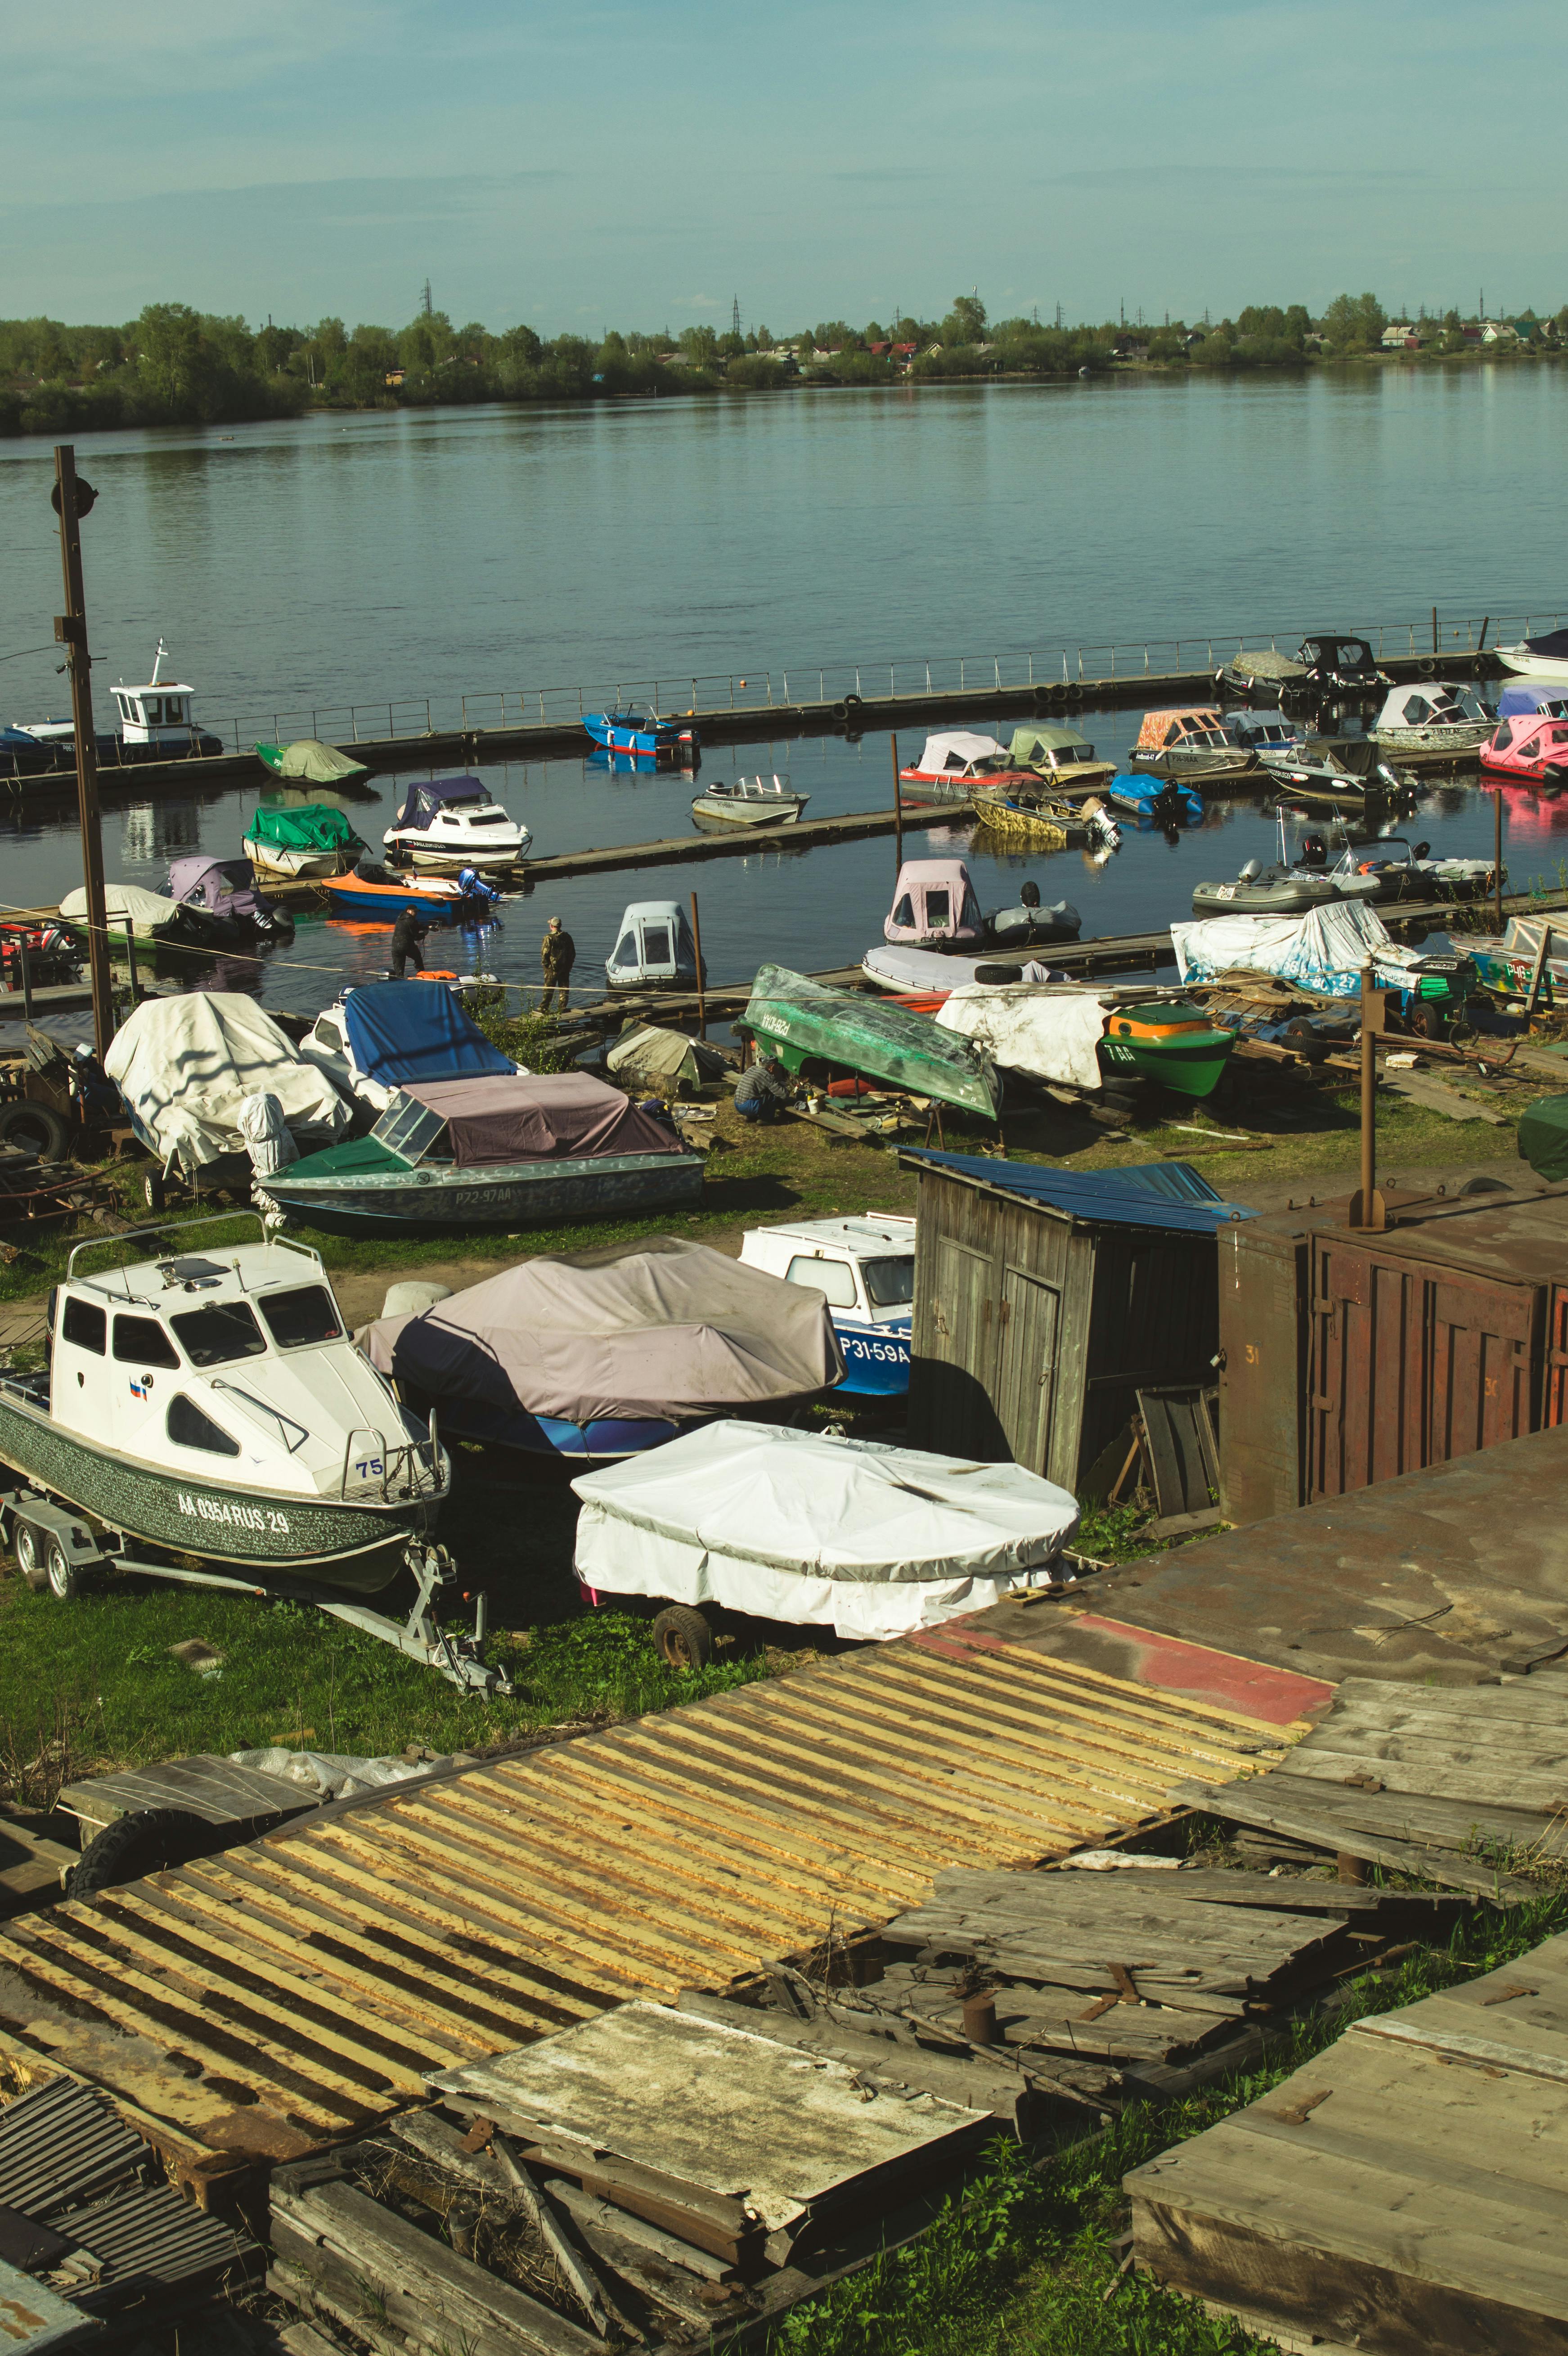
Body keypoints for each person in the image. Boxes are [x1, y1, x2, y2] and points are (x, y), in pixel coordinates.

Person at [734, 1052, 792, 1124]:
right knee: (772, 1095)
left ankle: (750, 1116)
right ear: (772, 1067)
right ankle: (766, 1119)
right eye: (777, 1067)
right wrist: (786, 1086)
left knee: (758, 1093)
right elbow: (784, 1095)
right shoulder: (767, 1076)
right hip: (748, 1107)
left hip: (738, 1104)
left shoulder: (752, 1069)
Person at [540, 915, 575, 1013]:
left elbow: (545, 954)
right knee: (564, 987)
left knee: (549, 988)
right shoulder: (567, 937)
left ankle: (544, 1008)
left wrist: (546, 965)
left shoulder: (549, 938)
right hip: (565, 966)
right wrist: (570, 965)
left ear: (552, 926)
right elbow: (573, 953)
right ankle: (562, 1007)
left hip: (551, 968)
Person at [389, 906, 429, 978]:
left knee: (399, 972)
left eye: (417, 912)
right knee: (418, 957)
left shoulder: (400, 919)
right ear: (408, 911)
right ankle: (422, 975)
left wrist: (426, 927)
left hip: (395, 947)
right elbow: (416, 937)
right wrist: (424, 934)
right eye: (415, 912)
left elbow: (416, 926)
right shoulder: (412, 920)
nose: (416, 913)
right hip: (406, 945)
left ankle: (400, 980)